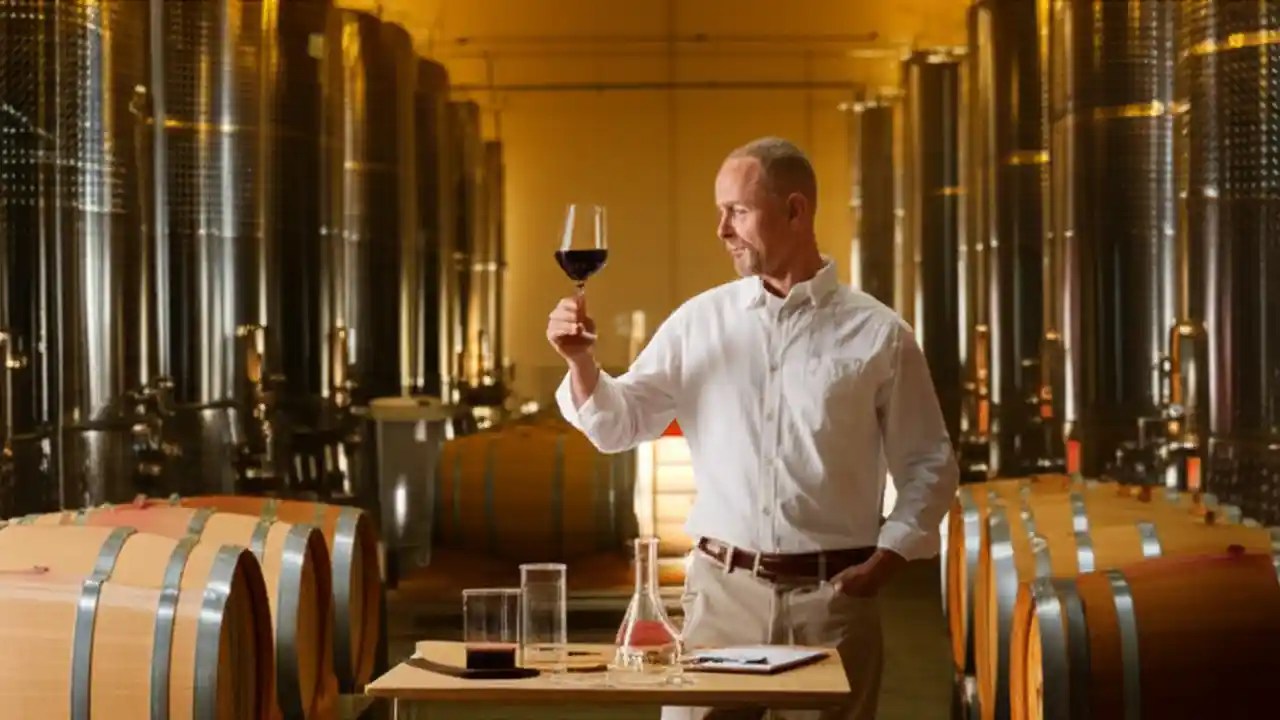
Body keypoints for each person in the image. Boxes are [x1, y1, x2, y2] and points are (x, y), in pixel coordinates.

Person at [547, 136, 959, 720]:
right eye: (721, 212)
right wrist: (581, 362)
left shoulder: (879, 335)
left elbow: (929, 466)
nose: (722, 230)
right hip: (720, 600)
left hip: (832, 602)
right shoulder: (699, 323)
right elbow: (620, 425)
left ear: (796, 210)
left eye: (737, 211)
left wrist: (887, 559)